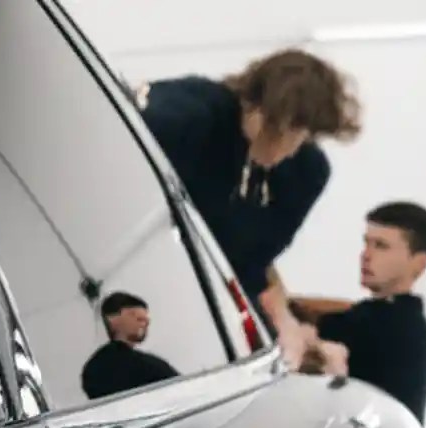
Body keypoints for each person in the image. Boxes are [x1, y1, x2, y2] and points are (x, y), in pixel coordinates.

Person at [136, 49, 361, 368]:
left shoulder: (306, 172)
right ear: (252, 102)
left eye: (298, 134)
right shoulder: (188, 114)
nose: (282, 146)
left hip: (207, 307)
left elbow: (254, 263)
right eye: (274, 126)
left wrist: (283, 324)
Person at [294, 202, 426, 423]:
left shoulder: (388, 326)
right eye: (367, 243)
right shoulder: (398, 317)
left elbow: (305, 319)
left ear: (418, 263)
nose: (366, 255)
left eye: (381, 246)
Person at [82, 292, 178, 399]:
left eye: (145, 318)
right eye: (132, 314)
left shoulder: (94, 367)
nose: (144, 321)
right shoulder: (102, 365)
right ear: (112, 318)